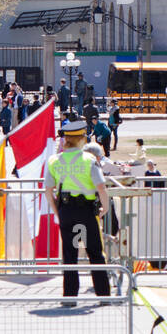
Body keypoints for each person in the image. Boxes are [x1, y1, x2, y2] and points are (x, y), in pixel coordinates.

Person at [43, 119, 113, 302]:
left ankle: (70, 296)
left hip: (67, 212)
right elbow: (101, 188)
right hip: (86, 213)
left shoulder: (53, 161)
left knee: (70, 254)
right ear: (81, 139)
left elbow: (48, 191)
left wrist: (57, 212)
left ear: (65, 140)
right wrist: (105, 208)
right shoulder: (89, 160)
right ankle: (103, 294)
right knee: (95, 252)